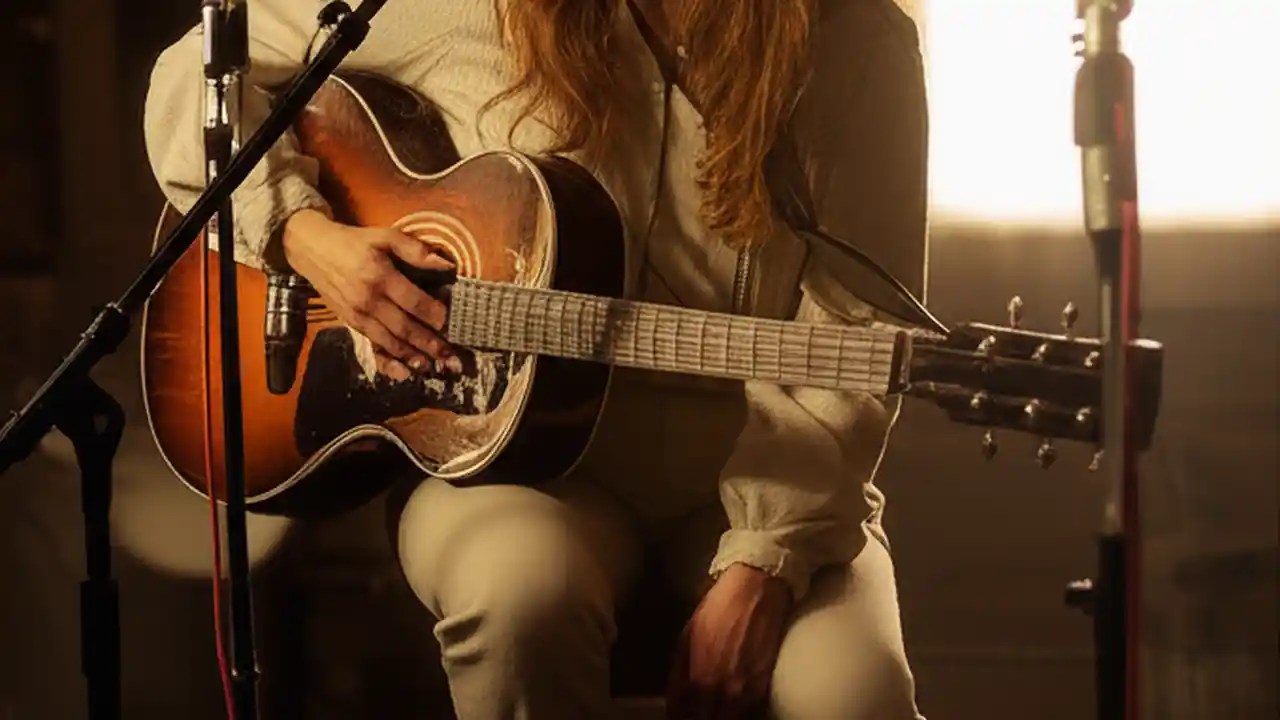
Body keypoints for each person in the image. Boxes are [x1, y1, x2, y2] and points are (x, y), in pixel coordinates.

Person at [144, 0, 930, 718]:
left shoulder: (854, 40)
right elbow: (196, 74)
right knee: (518, 597)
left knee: (855, 693)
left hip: (776, 476)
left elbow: (857, 326)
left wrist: (768, 561)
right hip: (515, 470)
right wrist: (305, 236)